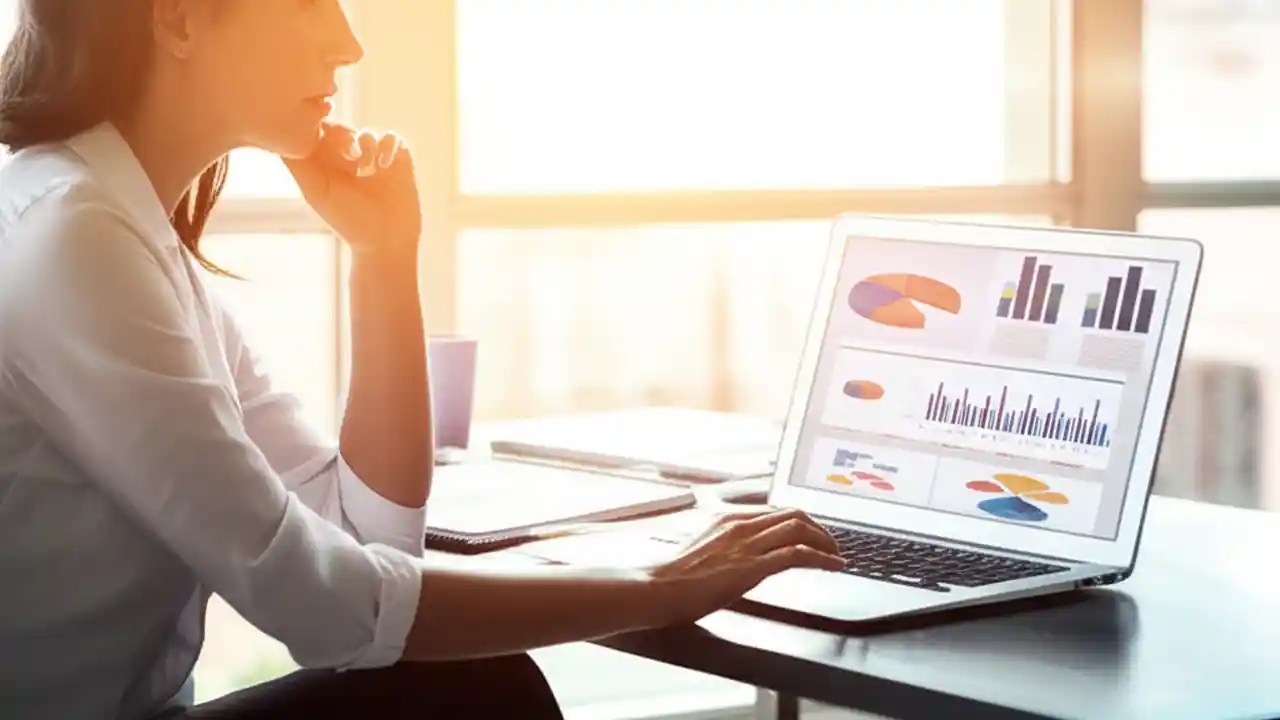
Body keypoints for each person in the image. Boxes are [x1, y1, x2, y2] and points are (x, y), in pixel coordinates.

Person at [0, 2, 845, 718]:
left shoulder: (126, 229)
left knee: (471, 682)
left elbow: (369, 538)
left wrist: (381, 258)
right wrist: (652, 585)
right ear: (180, 19)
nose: (347, 43)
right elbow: (323, 604)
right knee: (479, 692)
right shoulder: (68, 231)